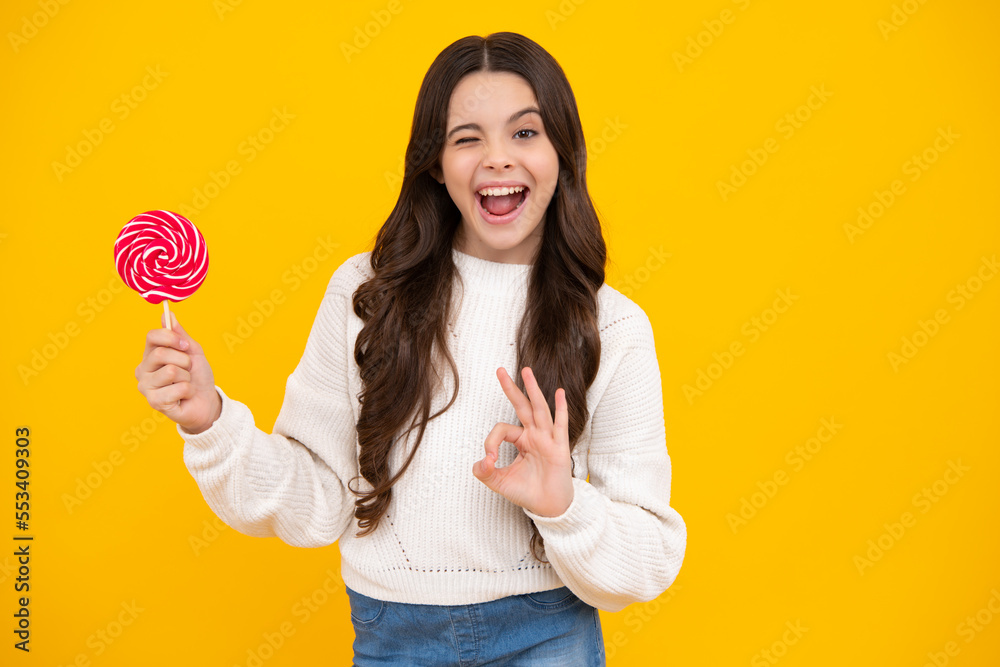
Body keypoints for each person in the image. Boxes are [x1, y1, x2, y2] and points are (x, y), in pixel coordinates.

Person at [135, 31, 686, 666]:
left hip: (547, 634)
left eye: (525, 133)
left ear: (564, 152)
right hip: (392, 635)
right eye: (466, 137)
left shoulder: (611, 327)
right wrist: (210, 422)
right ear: (434, 161)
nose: (498, 158)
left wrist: (563, 504)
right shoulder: (367, 293)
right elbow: (316, 502)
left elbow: (649, 561)